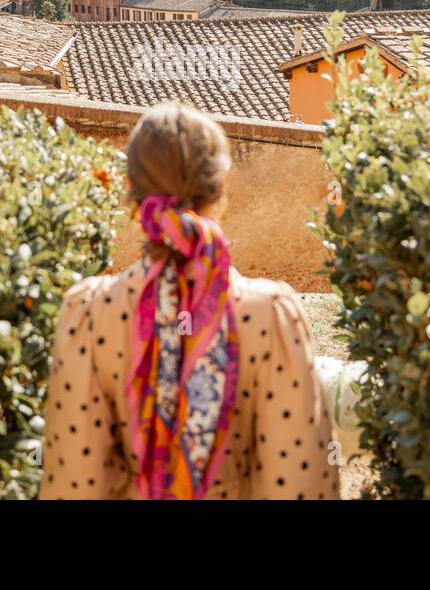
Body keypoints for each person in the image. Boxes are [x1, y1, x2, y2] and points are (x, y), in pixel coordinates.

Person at [39, 101, 340, 500]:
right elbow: (300, 484)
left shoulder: (91, 316)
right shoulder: (270, 318)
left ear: (130, 195)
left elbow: (74, 484)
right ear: (220, 192)